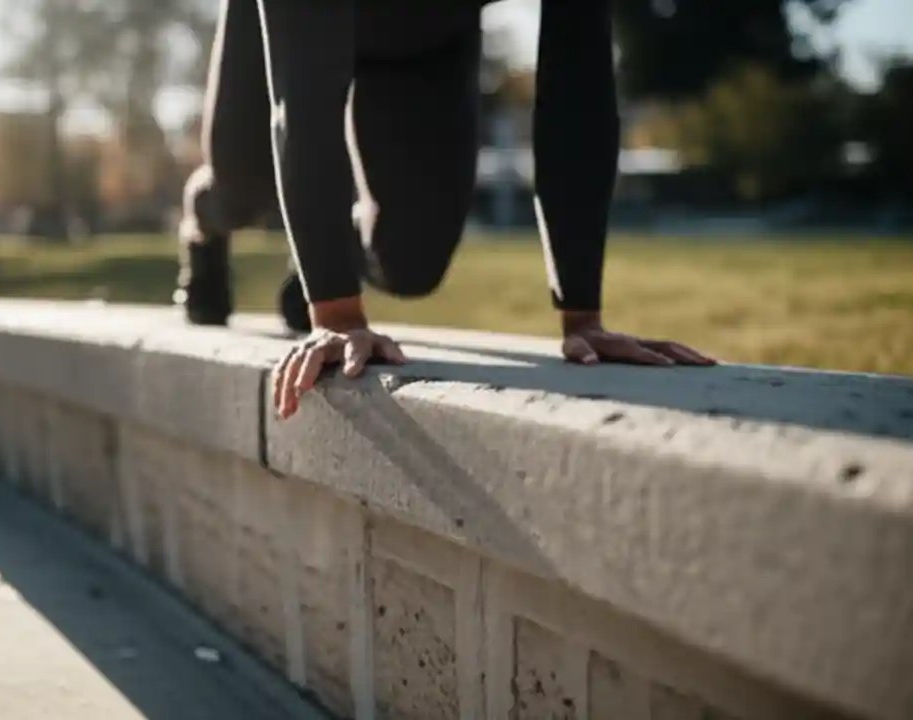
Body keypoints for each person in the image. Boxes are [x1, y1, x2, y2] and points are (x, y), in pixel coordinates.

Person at [176, 0, 716, 420]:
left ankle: (321, 255)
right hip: (286, 30)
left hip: (423, 43)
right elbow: (303, 97)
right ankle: (203, 219)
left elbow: (578, 82)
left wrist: (583, 316)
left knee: (410, 264)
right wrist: (337, 317)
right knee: (243, 191)